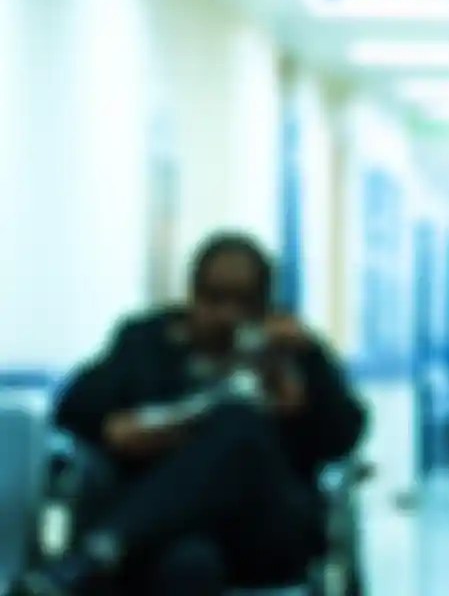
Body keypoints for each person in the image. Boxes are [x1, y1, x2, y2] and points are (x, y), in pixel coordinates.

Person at [18, 232, 367, 596]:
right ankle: (106, 549)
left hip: (263, 529)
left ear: (266, 306)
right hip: (166, 531)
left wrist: (310, 381)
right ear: (192, 295)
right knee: (189, 564)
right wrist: (114, 428)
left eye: (244, 303)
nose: (227, 315)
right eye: (214, 299)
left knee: (238, 423)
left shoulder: (290, 354)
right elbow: (73, 406)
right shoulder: (148, 342)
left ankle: (98, 551)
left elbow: (346, 435)